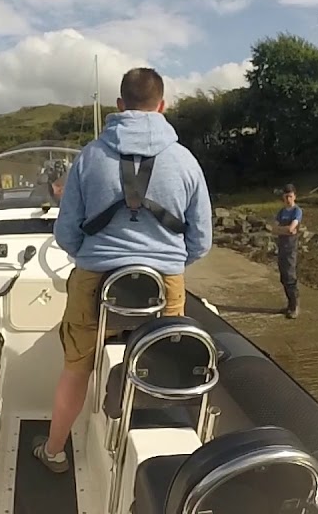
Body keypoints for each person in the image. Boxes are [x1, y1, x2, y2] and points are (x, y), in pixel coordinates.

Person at [32, 67, 213, 473]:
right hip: (164, 284)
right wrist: (169, 262)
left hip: (94, 280)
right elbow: (201, 239)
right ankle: (168, 462)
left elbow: (66, 233)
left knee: (76, 370)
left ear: (119, 106)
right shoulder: (185, 161)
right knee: (164, 365)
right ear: (162, 106)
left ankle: (55, 449)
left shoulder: (90, 156)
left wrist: (92, 257)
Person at [274, 184, 303, 319]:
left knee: (290, 276)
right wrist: (285, 230)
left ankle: (295, 306)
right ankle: (289, 304)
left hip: (291, 247)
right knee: (283, 276)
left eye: (290, 196)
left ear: (294, 197)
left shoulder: (297, 211)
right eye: (286, 197)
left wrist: (283, 229)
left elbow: (292, 229)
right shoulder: (281, 212)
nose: (288, 199)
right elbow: (273, 228)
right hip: (281, 246)